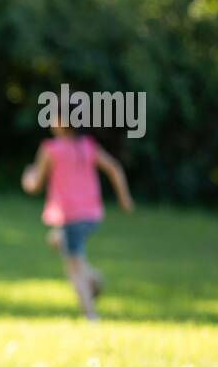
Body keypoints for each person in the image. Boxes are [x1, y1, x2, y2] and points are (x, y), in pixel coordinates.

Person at [21, 116, 134, 321]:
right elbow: (114, 168)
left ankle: (91, 314)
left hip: (70, 216)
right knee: (58, 242)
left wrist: (27, 178)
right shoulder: (87, 146)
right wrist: (125, 199)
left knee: (73, 266)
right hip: (91, 215)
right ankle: (92, 278)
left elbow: (35, 184)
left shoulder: (51, 149)